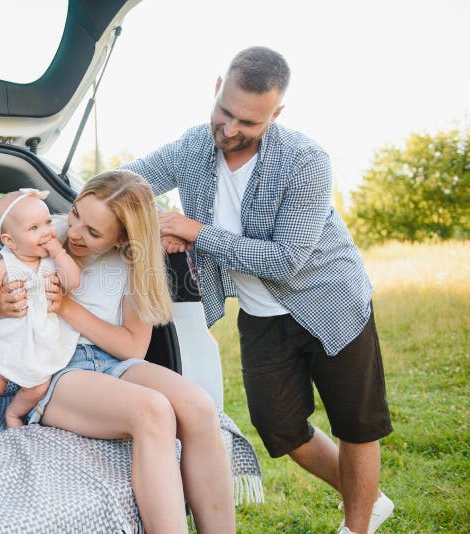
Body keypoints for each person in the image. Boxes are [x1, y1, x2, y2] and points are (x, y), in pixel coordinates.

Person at [121, 46, 394, 534]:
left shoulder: (306, 160)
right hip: (261, 316)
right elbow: (129, 186)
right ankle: (367, 498)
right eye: (225, 112)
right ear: (217, 86)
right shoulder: (190, 148)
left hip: (330, 299)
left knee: (356, 424)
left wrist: (194, 230)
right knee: (280, 430)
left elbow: (287, 260)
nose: (229, 130)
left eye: (248, 122)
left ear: (276, 113)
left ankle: (357, 526)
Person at [0, 171, 236, 533]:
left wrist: (67, 307)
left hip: (115, 362)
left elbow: (132, 347)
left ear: (123, 238)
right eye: (77, 213)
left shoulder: (134, 260)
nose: (76, 231)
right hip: (55, 369)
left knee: (199, 405)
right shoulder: (45, 233)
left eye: (94, 232)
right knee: (153, 411)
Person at [0, 188, 81, 433]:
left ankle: (14, 412)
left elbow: (73, 282)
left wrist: (59, 252)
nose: (47, 231)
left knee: (38, 387)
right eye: (33, 228)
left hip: (40, 344)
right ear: (10, 241)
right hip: (6, 343)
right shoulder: (6, 263)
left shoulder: (53, 260)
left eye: (48, 222)